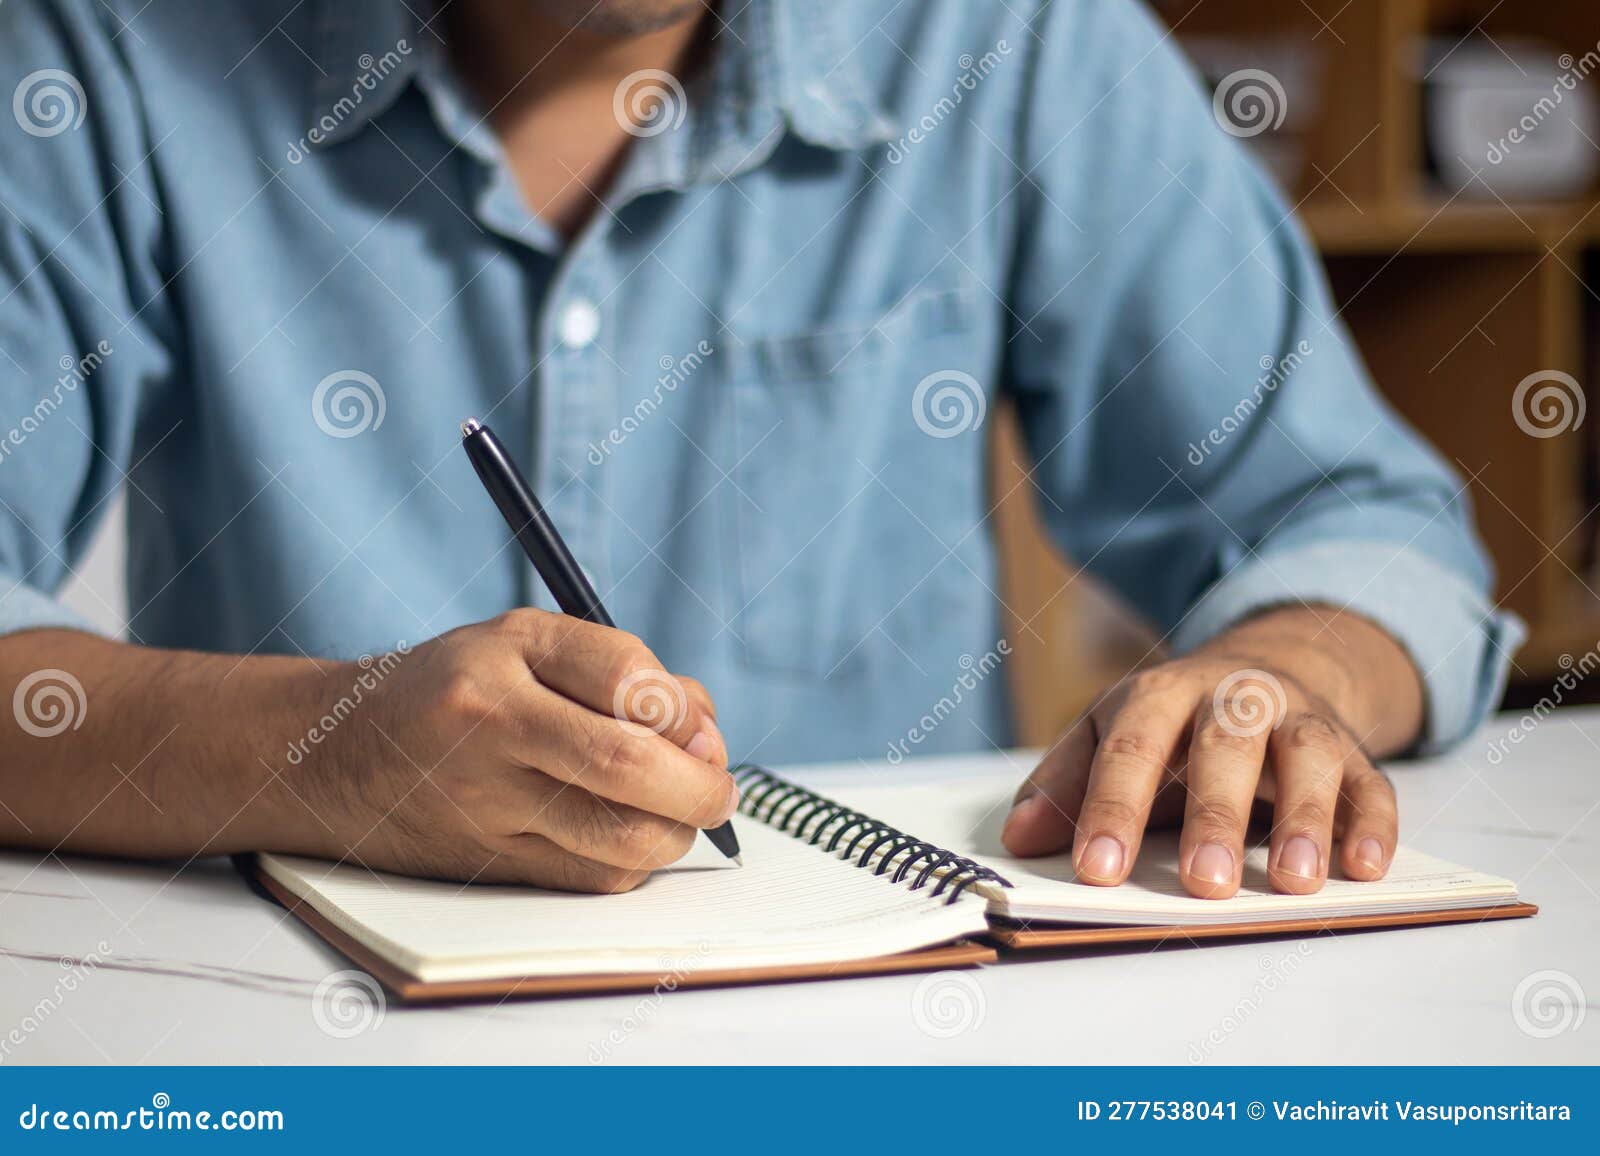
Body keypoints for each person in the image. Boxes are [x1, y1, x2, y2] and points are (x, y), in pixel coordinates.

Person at [0, 0, 1517, 900]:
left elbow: (1360, 520)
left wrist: (1283, 676)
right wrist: (326, 755)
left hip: (897, 1033)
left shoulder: (1010, 39)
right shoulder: (105, 52)